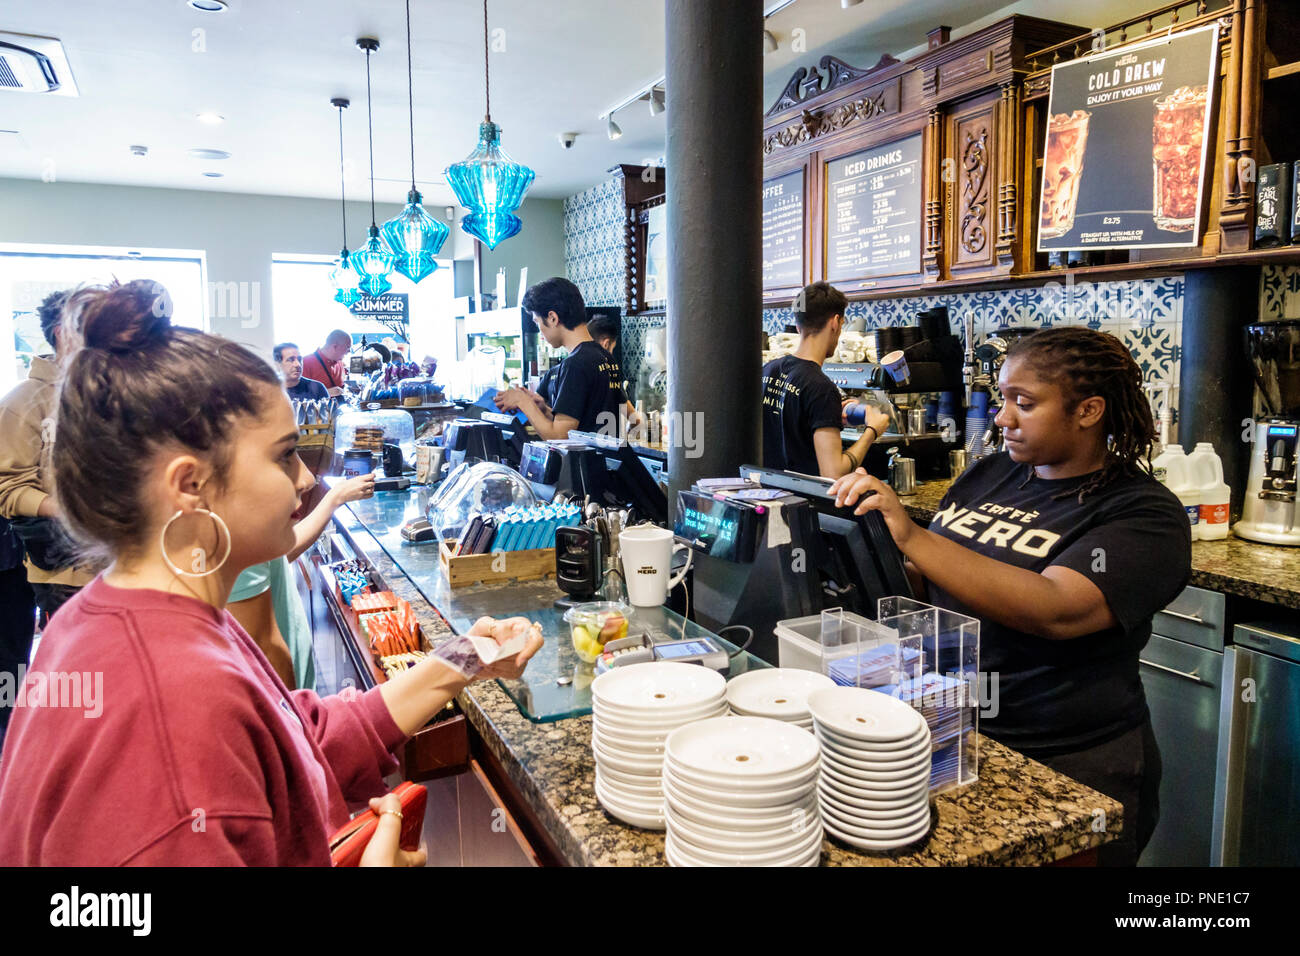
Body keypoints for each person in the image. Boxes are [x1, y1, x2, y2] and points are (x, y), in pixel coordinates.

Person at [0, 280, 543, 865]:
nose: (305, 480)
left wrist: (461, 660)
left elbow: (294, 742)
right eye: (284, 454)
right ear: (190, 485)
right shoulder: (173, 711)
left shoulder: (146, 615)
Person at [829, 326, 1192, 866]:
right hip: (957, 732)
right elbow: (932, 581)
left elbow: (1056, 609)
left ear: (1088, 410)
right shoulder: (996, 473)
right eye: (1002, 399)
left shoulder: (1144, 514)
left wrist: (912, 534)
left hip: (1068, 760)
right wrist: (863, 557)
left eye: (1024, 403)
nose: (1002, 419)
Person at [228, 469, 376, 690]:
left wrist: (334, 498)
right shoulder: (233, 532)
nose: (307, 478)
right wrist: (297, 717)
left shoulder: (243, 522)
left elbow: (282, 551)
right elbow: (261, 648)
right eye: (283, 454)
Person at [0, 289, 95, 625]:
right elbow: (8, 489)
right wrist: (72, 511)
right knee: (84, 674)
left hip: (124, 562)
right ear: (63, 331)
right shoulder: (22, 402)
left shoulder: (112, 393)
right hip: (65, 573)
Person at [762, 282, 888, 479]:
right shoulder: (821, 388)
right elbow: (833, 474)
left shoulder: (768, 370)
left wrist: (829, 416)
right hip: (802, 505)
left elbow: (791, 424)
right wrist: (872, 430)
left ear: (798, 326)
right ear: (835, 322)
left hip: (765, 497)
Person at [493, 277, 622, 439]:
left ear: (552, 318)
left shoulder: (574, 364)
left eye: (537, 321)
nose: (539, 329)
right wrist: (544, 410)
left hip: (586, 463)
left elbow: (560, 436)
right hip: (608, 461)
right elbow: (586, 423)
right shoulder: (605, 356)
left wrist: (522, 401)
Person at [586, 313, 641, 428]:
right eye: (612, 349)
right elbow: (635, 419)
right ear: (606, 344)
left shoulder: (569, 368)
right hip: (607, 444)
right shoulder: (609, 373)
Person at [302, 329, 351, 398]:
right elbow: (297, 396)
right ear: (335, 347)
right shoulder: (305, 363)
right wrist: (325, 392)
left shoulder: (340, 363)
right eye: (348, 347)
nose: (349, 351)